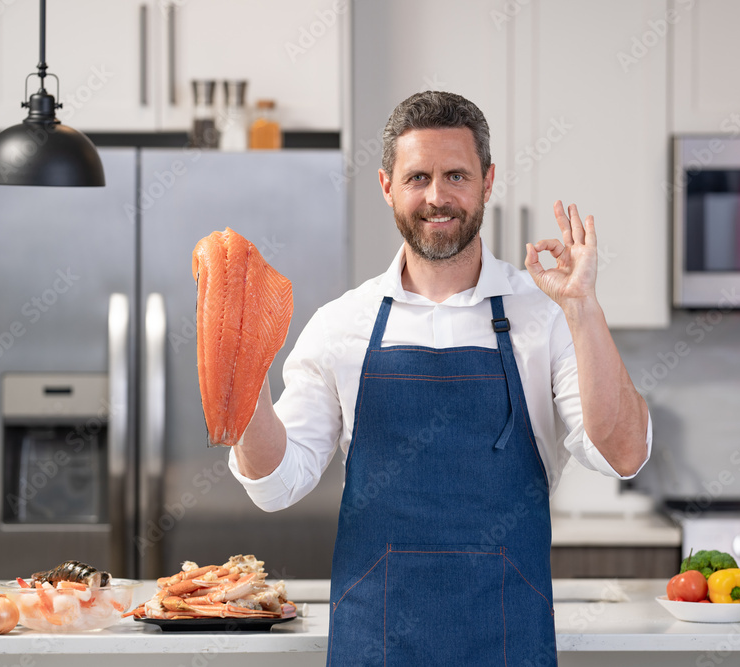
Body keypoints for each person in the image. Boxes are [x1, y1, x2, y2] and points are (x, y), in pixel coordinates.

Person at [228, 91, 651, 665]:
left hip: (506, 640)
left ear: (488, 181)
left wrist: (584, 309)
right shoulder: (341, 324)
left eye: (456, 175)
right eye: (417, 177)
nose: (437, 196)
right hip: (375, 643)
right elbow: (276, 484)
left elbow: (623, 453)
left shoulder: (546, 314)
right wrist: (242, 362)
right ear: (386, 186)